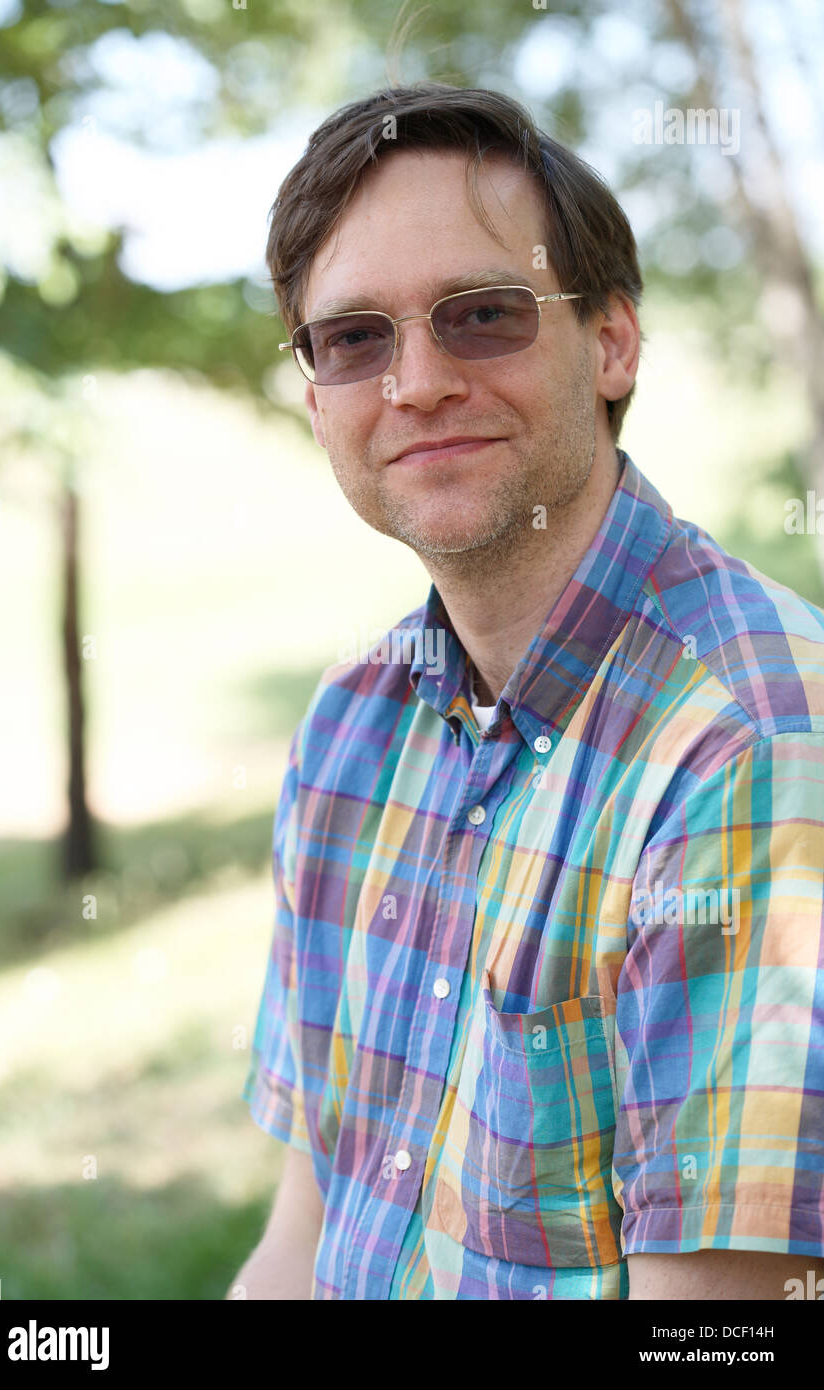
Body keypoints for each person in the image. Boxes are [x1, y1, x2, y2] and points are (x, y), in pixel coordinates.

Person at [227, 83, 824, 1300]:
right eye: (353, 338)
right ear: (313, 392)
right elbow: (300, 1243)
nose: (415, 383)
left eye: (481, 315)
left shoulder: (750, 752)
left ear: (610, 341)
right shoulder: (350, 727)